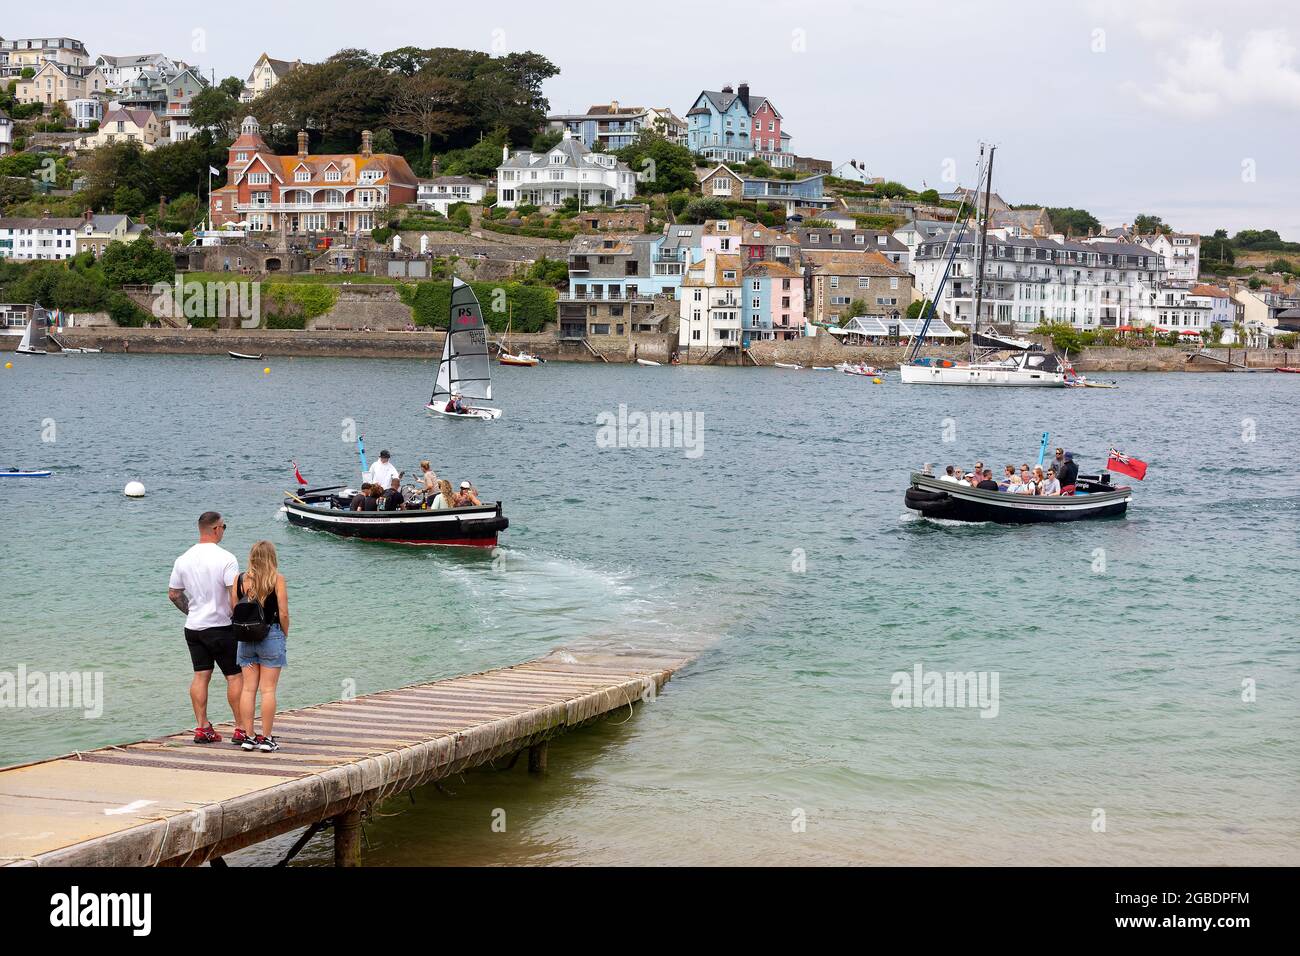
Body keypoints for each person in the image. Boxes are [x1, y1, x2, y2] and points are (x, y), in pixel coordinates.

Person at [168, 512, 243, 745]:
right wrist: (237, 619)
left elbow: (174, 594)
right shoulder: (227, 558)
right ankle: (241, 728)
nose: (224, 530)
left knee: (201, 675)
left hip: (193, 627)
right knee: (234, 677)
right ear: (216, 529)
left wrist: (192, 612)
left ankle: (202, 728)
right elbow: (234, 595)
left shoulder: (183, 558)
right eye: (224, 527)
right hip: (221, 626)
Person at [232, 541, 289, 753]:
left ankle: (248, 736)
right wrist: (284, 633)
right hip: (270, 635)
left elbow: (234, 608)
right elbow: (283, 612)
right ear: (271, 557)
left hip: (245, 638)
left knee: (248, 689)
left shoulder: (239, 580)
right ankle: (266, 738)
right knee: (268, 690)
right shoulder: (277, 579)